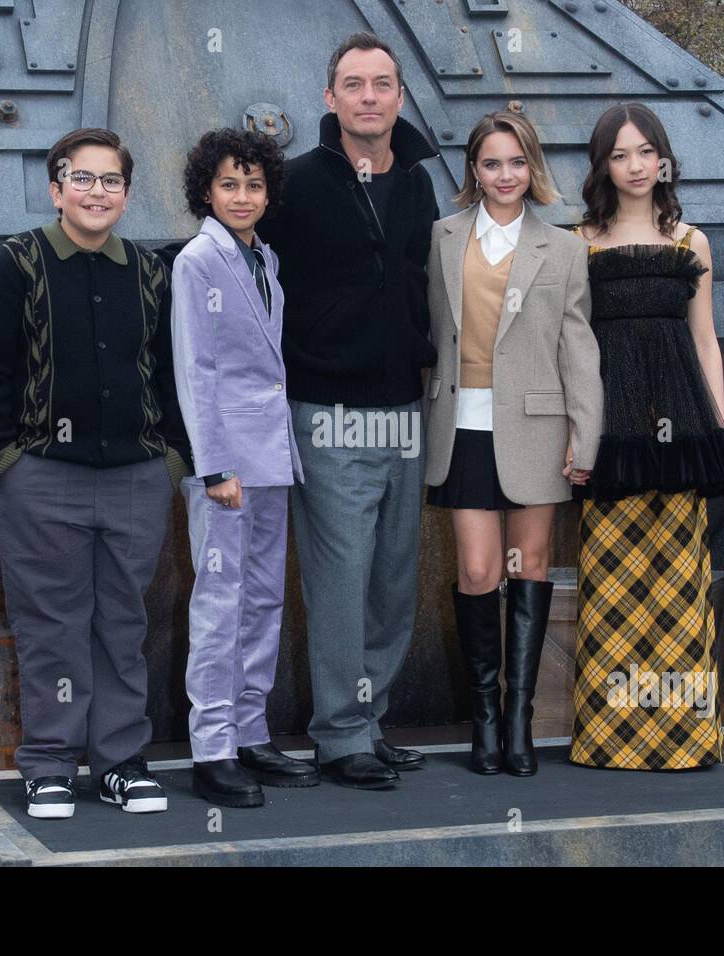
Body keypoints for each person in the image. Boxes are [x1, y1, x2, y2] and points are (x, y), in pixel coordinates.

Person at [0, 127, 192, 819]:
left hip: (135, 479)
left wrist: (170, 459)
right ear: (57, 189)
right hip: (42, 479)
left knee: (123, 623)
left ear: (126, 193)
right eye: (82, 179)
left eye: (110, 180)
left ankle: (120, 762)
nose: (97, 192)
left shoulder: (151, 274)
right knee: (51, 624)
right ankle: (51, 766)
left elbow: (173, 379)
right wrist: (7, 463)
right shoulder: (17, 265)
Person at [258, 32, 438, 789]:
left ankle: (369, 719)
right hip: (327, 413)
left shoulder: (422, 186)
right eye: (354, 84)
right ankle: (338, 737)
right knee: (340, 583)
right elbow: (245, 282)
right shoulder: (292, 185)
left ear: (399, 97)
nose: (370, 96)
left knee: (395, 583)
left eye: (383, 84)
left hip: (406, 410)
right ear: (330, 98)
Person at [570, 103, 724, 771]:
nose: (637, 165)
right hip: (611, 430)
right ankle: (611, 739)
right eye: (621, 155)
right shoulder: (579, 241)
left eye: (647, 151)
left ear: (664, 158)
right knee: (613, 578)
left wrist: (718, 425)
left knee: (679, 583)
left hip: (683, 429)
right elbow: (575, 345)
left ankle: (683, 738)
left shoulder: (691, 242)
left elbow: (706, 339)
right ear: (603, 166)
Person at [425, 110, 602, 776]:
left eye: (517, 162)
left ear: (533, 169)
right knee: (477, 572)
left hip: (537, 425)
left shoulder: (563, 248)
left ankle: (520, 721)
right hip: (462, 426)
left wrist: (585, 436)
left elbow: (578, 347)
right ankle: (485, 718)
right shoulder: (442, 238)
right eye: (492, 163)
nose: (505, 175)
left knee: (529, 568)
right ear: (474, 169)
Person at [170, 129, 318, 808]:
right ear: (207, 189)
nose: (242, 195)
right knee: (220, 601)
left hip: (271, 458)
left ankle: (252, 731)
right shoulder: (198, 261)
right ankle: (212, 748)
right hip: (226, 464)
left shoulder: (271, 260)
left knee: (263, 598)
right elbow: (196, 372)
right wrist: (214, 467)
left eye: (254, 184)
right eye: (229, 184)